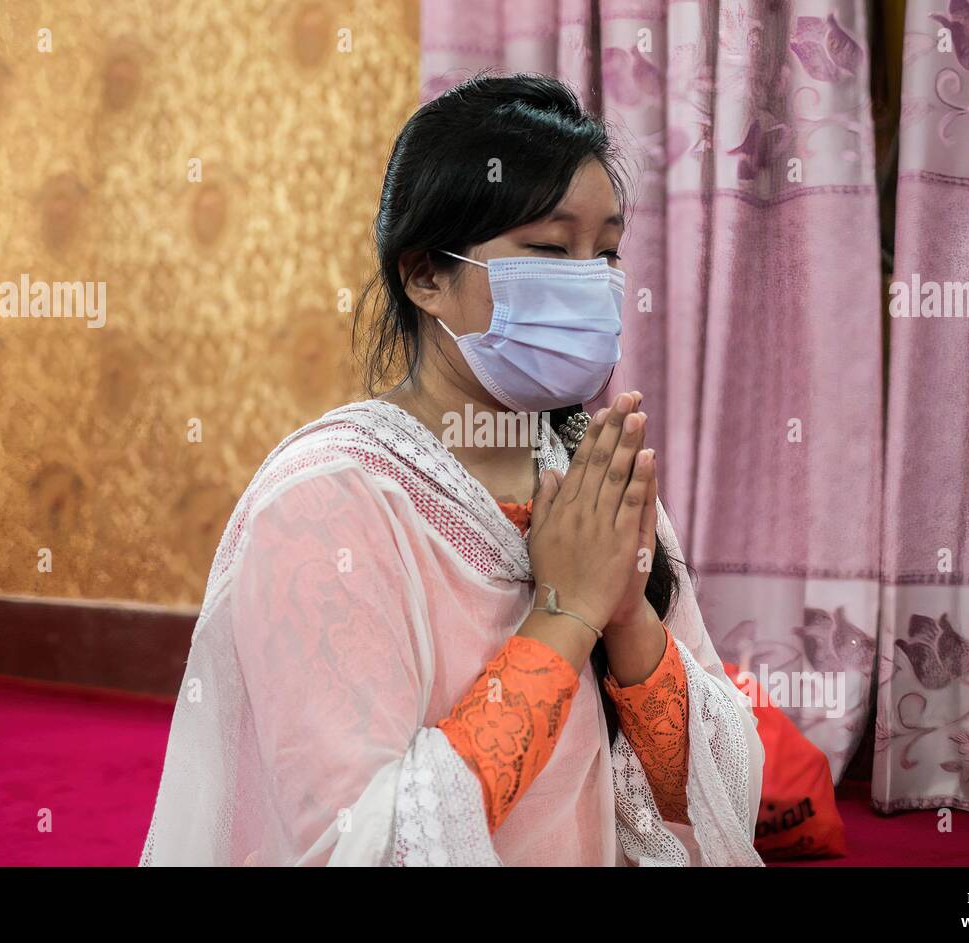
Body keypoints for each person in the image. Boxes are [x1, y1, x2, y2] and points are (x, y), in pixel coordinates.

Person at [140, 73, 763, 866]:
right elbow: (374, 848)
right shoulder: (327, 505)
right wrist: (566, 615)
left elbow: (724, 794)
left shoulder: (583, 471)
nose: (591, 282)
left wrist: (626, 612)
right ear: (425, 274)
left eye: (606, 253)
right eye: (547, 249)